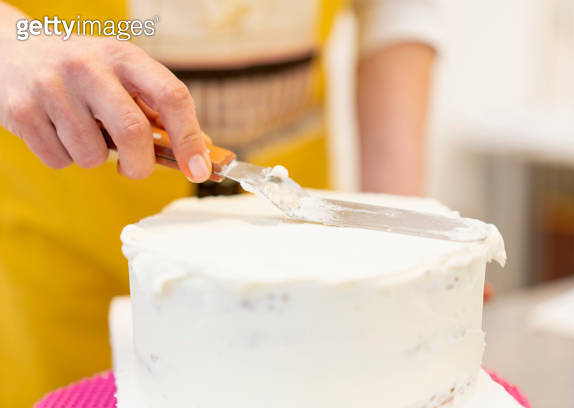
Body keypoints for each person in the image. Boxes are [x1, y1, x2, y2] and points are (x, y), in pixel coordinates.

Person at [0, 0, 438, 406]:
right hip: (64, 239)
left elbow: (397, 10)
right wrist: (13, 46)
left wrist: (398, 242)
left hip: (293, 250)